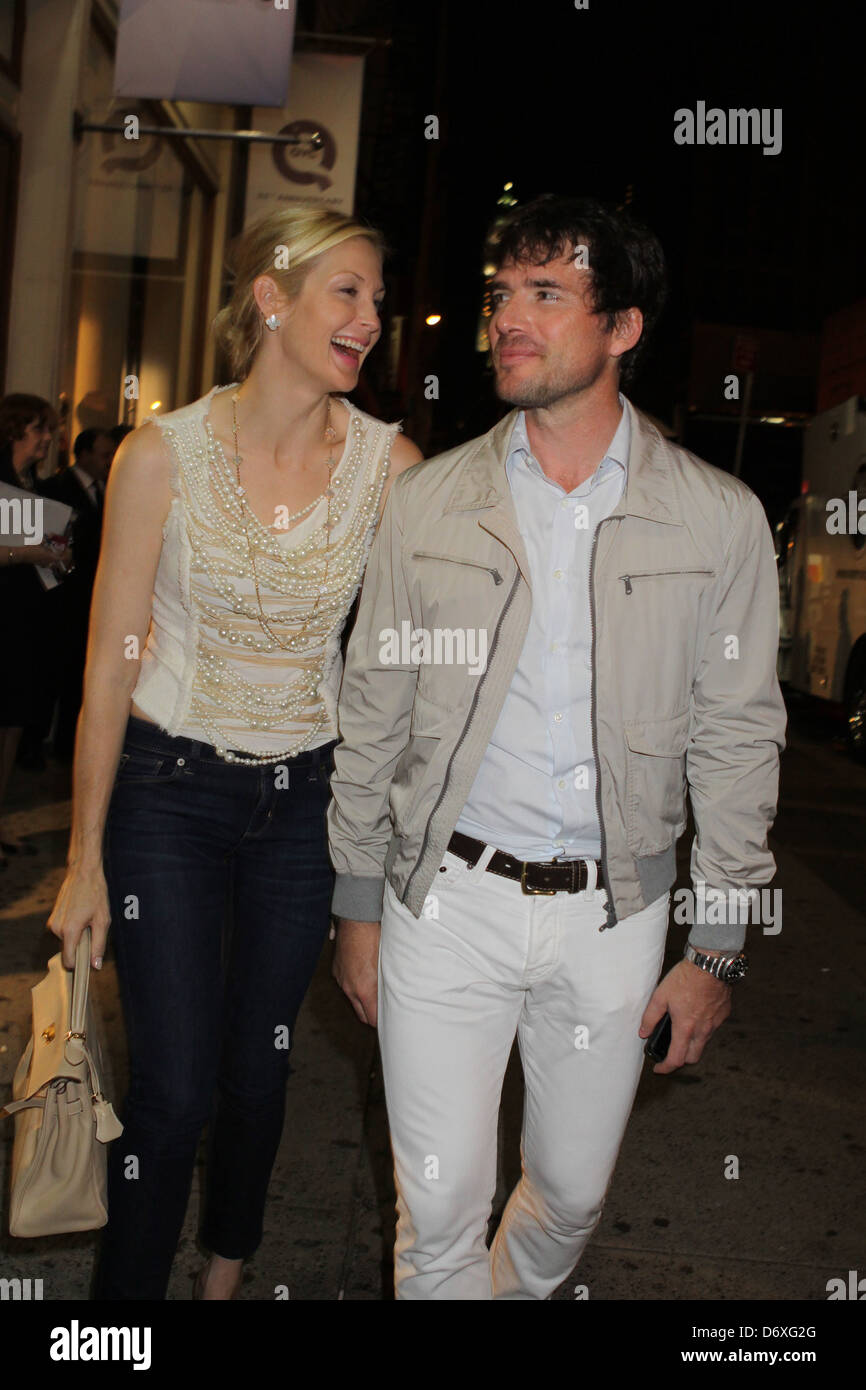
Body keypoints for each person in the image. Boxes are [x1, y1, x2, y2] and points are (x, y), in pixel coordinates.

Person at [327, 194, 787, 1299]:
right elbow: (371, 711)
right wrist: (354, 906)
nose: (507, 322)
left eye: (544, 295)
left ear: (621, 329)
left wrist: (713, 946)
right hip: (444, 899)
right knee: (435, 1205)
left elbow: (736, 738)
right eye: (500, 297)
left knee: (569, 1194)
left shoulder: (714, 519)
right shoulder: (430, 502)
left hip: (612, 915)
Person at [47, 203, 422, 1300]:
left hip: (306, 801)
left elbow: (405, 666)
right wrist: (82, 858)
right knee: (171, 1092)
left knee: (258, 1073)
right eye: (346, 291)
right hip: (167, 793)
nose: (371, 318)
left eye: (378, 300)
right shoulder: (159, 456)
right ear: (272, 295)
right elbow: (111, 665)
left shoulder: (391, 469)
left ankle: (222, 1272)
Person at [0, 394, 70, 864]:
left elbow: (22, 542)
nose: (48, 438)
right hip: (3, 616)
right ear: (17, 429)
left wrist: (57, 555)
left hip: (22, 617)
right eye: (41, 429)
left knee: (11, 722)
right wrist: (40, 554)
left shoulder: (28, 481)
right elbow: (6, 549)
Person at [40, 429, 113, 759]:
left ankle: (67, 746)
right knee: (52, 671)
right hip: (60, 595)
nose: (107, 461)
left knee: (76, 673)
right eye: (102, 454)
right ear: (82, 454)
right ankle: (37, 745)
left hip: (90, 597)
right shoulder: (56, 487)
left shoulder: (105, 489)